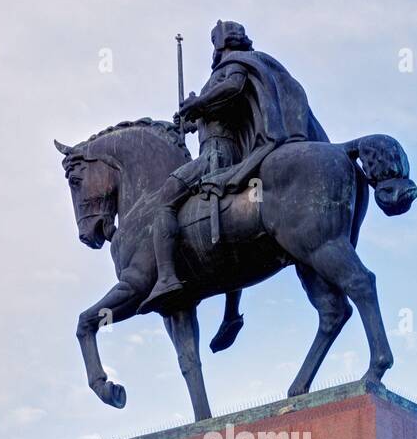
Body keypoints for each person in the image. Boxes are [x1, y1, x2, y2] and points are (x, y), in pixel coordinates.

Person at [140, 19, 330, 315]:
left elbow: (233, 87)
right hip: (218, 148)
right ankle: (230, 311)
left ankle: (165, 278)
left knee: (164, 200)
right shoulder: (228, 68)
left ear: (220, 45)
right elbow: (216, 112)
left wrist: (198, 101)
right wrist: (189, 119)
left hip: (216, 155)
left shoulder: (232, 66)